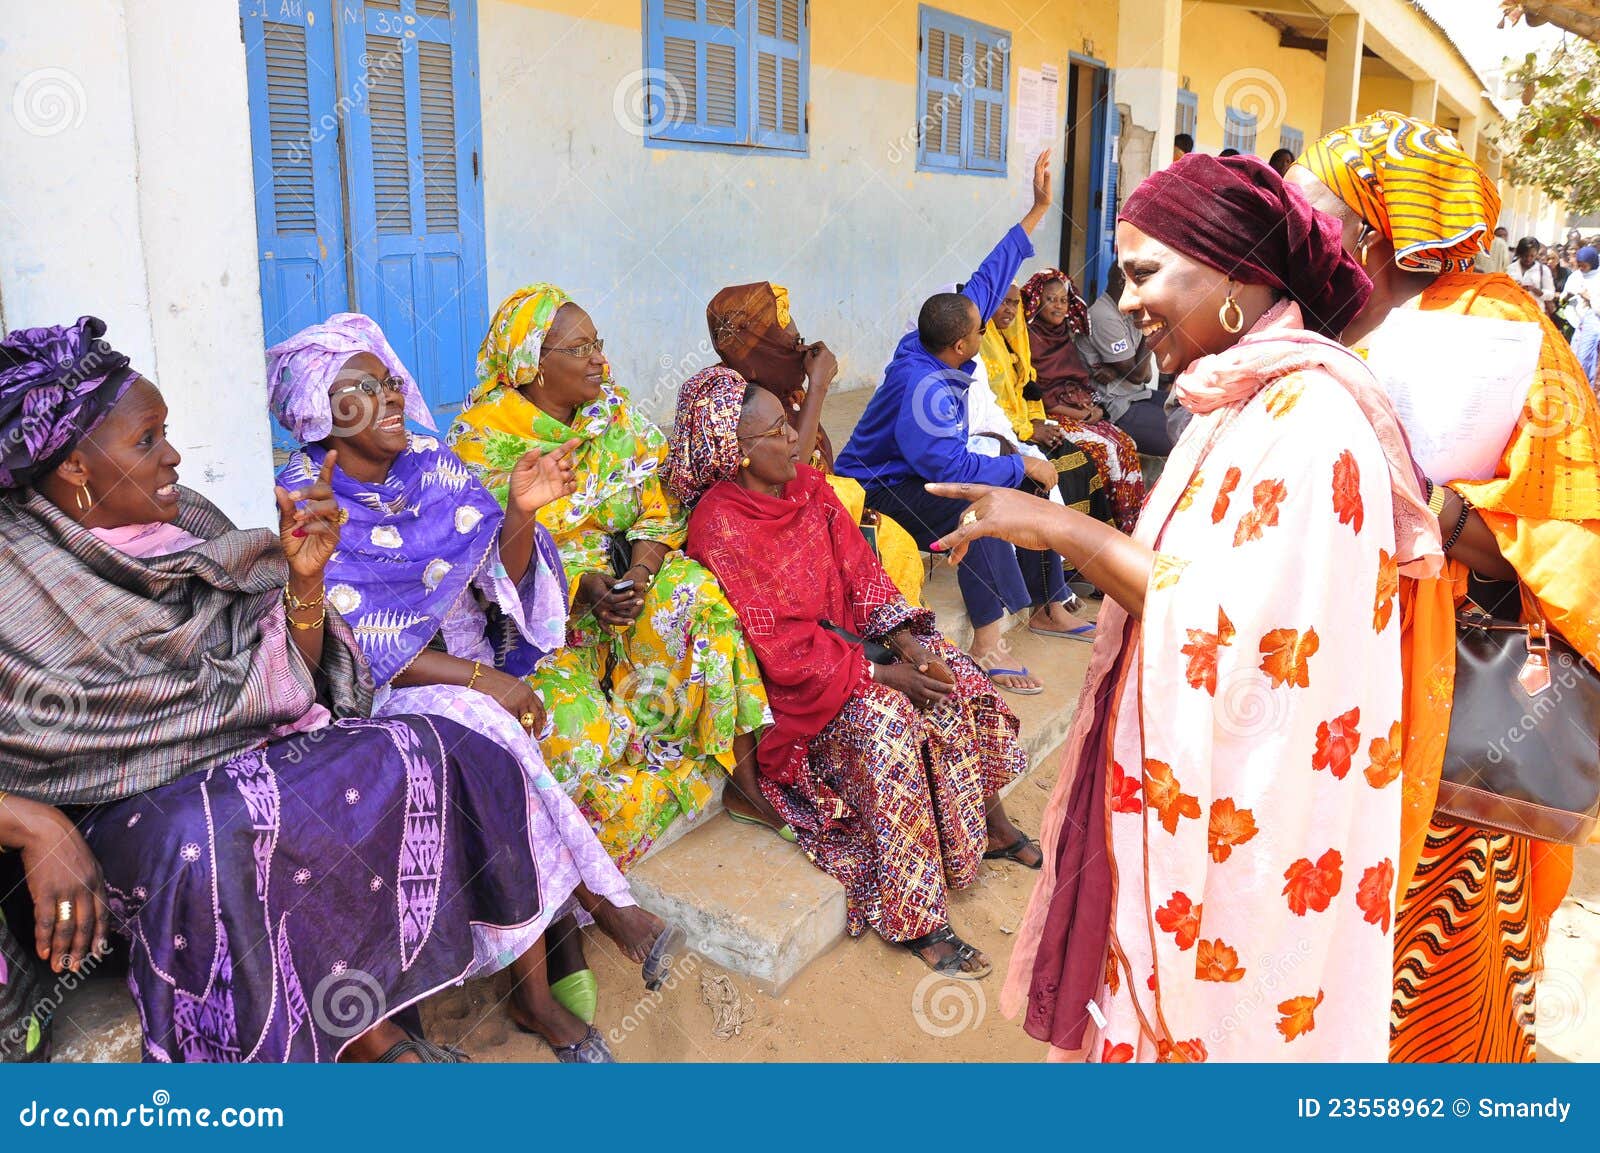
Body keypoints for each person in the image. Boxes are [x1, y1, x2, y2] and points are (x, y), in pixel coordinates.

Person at [0, 317, 618, 1063]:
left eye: (165, 433)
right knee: (223, 833)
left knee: (414, 746)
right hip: (120, 799)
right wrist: (35, 822)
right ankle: (352, 1046)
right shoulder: (18, 572)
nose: (173, 456)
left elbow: (290, 674)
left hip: (244, 745)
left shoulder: (188, 519)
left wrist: (304, 580)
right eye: (147, 442)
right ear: (74, 468)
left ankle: (384, 1014)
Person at [940, 153, 1440, 1061]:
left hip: (1254, 831)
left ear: (1239, 275)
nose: (1123, 303)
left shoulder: (1309, 423)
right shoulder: (1237, 394)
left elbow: (1233, 633)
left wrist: (1067, 531)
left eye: (1143, 274)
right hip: (1195, 788)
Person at [266, 314, 685, 1051]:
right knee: (492, 729)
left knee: (521, 736)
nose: (393, 397)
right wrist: (483, 680)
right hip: (376, 692)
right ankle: (601, 915)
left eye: (390, 380)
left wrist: (520, 516)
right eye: (364, 389)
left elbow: (504, 584)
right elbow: (354, 644)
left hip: (475, 672)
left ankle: (550, 975)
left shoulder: (432, 466)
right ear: (317, 412)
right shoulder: (310, 494)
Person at [1291, 110, 1600, 1062]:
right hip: (1338, 680)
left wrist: (1421, 505)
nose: (1298, 231)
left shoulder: (1498, 324)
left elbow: (1562, 534)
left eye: (1316, 214)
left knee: (1440, 955)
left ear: (1375, 230)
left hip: (1462, 701)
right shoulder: (1319, 319)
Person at [666, 368, 1038, 978]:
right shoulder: (720, 526)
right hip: (804, 695)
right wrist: (885, 677)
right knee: (889, 726)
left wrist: (908, 642)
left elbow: (863, 578)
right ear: (734, 448)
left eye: (790, 423)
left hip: (858, 649)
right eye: (778, 431)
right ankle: (916, 916)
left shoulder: (810, 489)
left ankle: (989, 827)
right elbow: (777, 645)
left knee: (956, 679)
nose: (796, 439)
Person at [448, 285, 769, 869]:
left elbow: (658, 510)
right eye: (581, 349)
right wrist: (578, 590)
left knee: (699, 597)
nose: (602, 361)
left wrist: (641, 574)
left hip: (620, 590)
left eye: (598, 344)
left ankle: (743, 779)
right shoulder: (480, 442)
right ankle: (581, 854)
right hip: (530, 629)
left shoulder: (612, 417)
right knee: (577, 735)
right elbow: (477, 571)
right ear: (533, 366)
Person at [834, 151, 1081, 696]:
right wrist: (1016, 464)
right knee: (983, 504)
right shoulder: (924, 388)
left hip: (910, 469)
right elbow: (943, 465)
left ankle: (1045, 604)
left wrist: (1037, 210)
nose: (988, 320)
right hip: (875, 484)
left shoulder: (934, 340)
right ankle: (987, 642)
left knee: (1018, 484)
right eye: (979, 330)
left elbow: (987, 281)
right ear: (962, 345)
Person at [698, 282, 924, 605]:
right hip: (766, 531)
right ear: (760, 351)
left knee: (893, 544)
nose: (803, 354)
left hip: (811, 511)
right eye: (793, 346)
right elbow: (793, 475)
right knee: (885, 552)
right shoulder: (727, 401)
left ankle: (894, 635)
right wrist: (818, 386)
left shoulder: (784, 391)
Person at [1021, 268, 1147, 530]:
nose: (1058, 305)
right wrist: (1084, 415)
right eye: (1050, 299)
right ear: (1035, 301)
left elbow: (1075, 380)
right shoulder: (1028, 338)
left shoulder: (1063, 334)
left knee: (1125, 443)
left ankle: (1129, 528)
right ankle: (1099, 532)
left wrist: (1094, 410)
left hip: (1080, 408)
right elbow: (1040, 393)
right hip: (1049, 414)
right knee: (1103, 450)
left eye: (1063, 300)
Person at [1078, 263, 1172, 456]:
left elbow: (1144, 376)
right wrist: (1149, 330)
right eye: (1139, 282)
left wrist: (1121, 370)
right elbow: (1137, 374)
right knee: (1182, 435)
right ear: (1123, 281)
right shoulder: (1104, 316)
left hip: (1137, 394)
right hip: (1115, 406)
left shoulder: (1126, 312)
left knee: (1190, 410)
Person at [1561, 244, 1600, 386]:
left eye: (1584, 266)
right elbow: (1563, 301)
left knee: (1589, 362)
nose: (1581, 269)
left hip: (1595, 324)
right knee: (1577, 359)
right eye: (1579, 265)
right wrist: (1567, 296)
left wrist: (1589, 298)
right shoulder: (1575, 276)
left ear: (1593, 263)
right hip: (1578, 323)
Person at [1512, 235, 1556, 315]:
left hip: (1536, 313)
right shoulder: (1511, 268)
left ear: (1536, 254)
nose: (1528, 259)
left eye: (1532, 256)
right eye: (1525, 255)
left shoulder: (1543, 270)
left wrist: (1534, 289)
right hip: (1515, 312)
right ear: (1520, 254)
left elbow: (1551, 295)